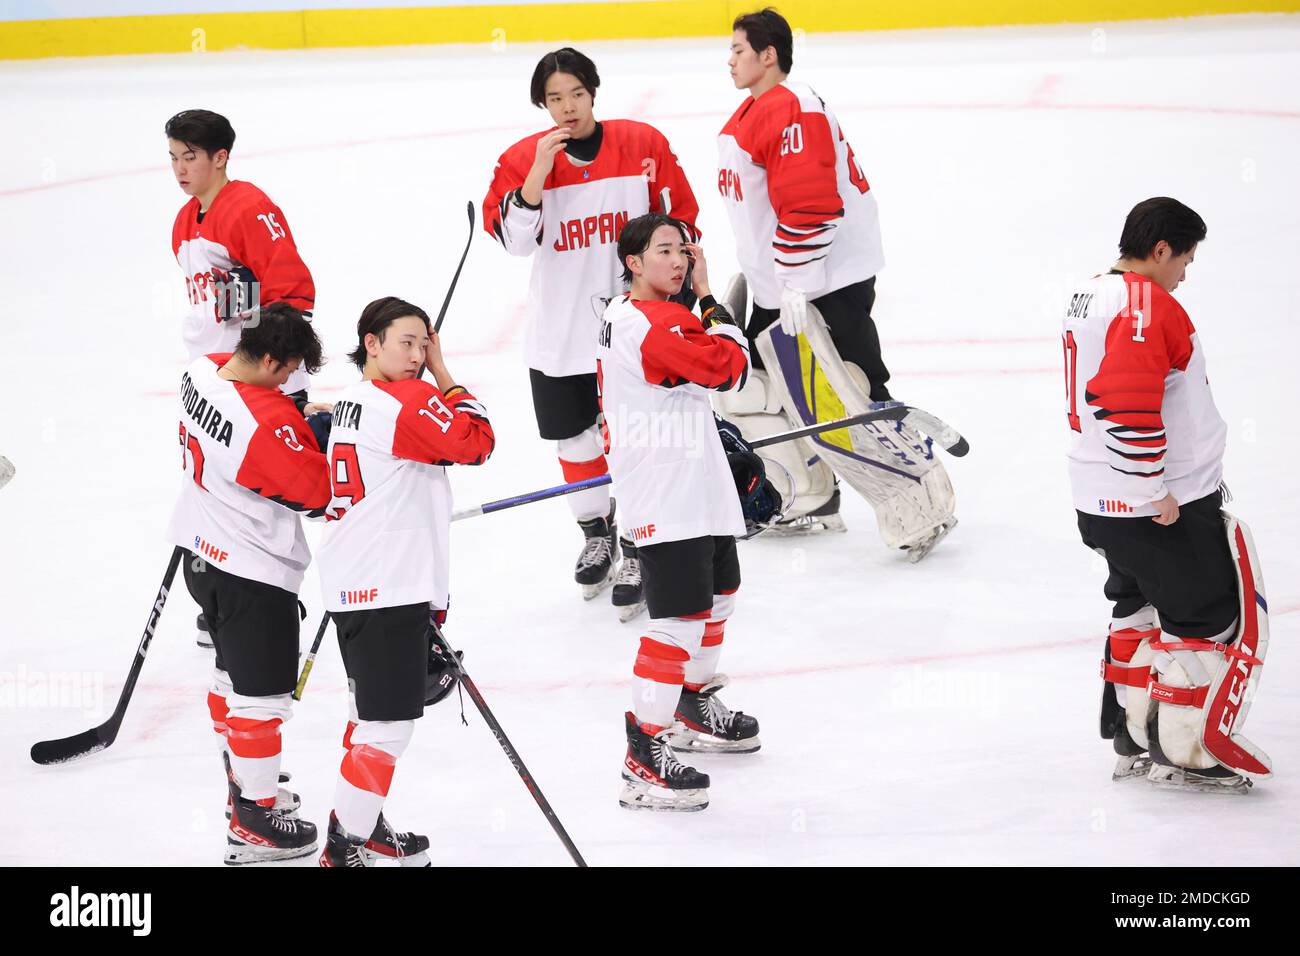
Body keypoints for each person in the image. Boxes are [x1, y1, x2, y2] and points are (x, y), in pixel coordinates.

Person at [715, 9, 959, 551]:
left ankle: (923, 502)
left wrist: (797, 282)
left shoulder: (791, 109)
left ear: (768, 54)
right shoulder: (756, 112)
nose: (729, 59)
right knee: (758, 392)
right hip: (781, 286)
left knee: (852, 389)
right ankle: (810, 493)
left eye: (738, 49)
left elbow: (811, 206)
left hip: (821, 285)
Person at [482, 48, 701, 619]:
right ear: (542, 103)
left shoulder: (641, 144)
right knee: (575, 441)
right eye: (554, 98)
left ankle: (637, 541)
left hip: (631, 333)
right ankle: (595, 531)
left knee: (631, 438)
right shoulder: (518, 160)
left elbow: (681, 220)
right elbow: (515, 242)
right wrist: (535, 174)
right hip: (560, 331)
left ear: (594, 92)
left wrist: (679, 293)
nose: (567, 107)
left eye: (576, 94)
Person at [1066, 197, 1271, 793]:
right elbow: (1126, 399)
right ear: (1160, 250)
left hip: (1099, 498)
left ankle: (1134, 735)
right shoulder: (1144, 305)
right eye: (1184, 257)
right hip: (1156, 504)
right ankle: (1187, 754)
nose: (1184, 271)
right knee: (1203, 616)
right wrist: (1152, 490)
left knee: (1139, 610)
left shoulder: (1088, 293)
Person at [316, 297, 495, 866]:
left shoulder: (351, 400)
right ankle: (343, 849)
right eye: (407, 343)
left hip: (356, 580)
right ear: (371, 342)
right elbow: (477, 442)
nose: (418, 355)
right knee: (387, 727)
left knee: (368, 718)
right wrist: (446, 375)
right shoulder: (407, 399)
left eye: (425, 345)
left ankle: (361, 827)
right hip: (388, 584)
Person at [596, 214, 759, 812]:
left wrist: (707, 317)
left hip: (695, 483)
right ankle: (645, 752)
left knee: (721, 597)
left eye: (684, 251)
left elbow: (700, 370)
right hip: (667, 495)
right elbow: (728, 371)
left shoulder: (639, 314)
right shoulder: (648, 321)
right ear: (633, 262)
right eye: (664, 250)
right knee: (679, 620)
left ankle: (692, 702)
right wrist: (717, 308)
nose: (679, 260)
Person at [165, 303, 331, 863]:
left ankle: (241, 780)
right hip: (251, 574)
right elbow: (314, 494)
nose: (291, 380)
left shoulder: (200, 369)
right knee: (263, 699)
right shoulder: (268, 423)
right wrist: (317, 434)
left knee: (229, 675)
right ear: (266, 359)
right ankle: (253, 819)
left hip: (200, 555)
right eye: (287, 370)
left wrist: (295, 423)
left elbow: (254, 427)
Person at [167, 108, 326, 647]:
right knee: (220, 495)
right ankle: (227, 598)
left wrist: (258, 316)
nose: (180, 168)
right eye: (173, 157)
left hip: (260, 387)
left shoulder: (249, 209)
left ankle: (263, 598)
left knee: (266, 500)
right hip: (217, 381)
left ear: (220, 157)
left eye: (191, 157)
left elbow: (295, 298)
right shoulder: (187, 220)